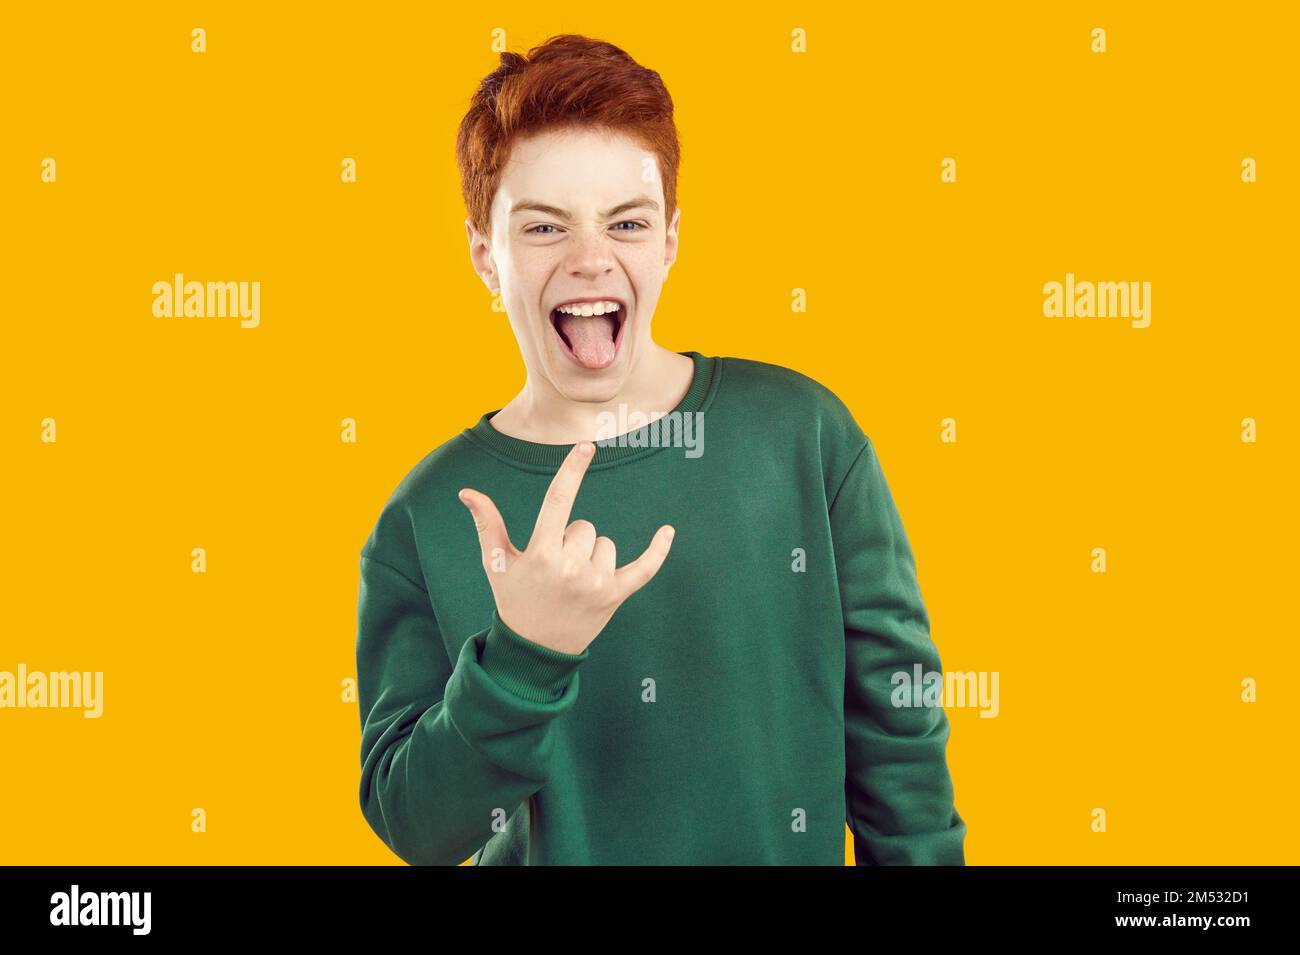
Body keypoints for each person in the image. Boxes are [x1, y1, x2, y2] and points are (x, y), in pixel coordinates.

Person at [355, 33, 966, 865]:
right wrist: (523, 656)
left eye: (627, 221)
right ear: (483, 257)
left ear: (669, 239)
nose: (590, 258)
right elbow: (419, 827)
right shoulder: (426, 516)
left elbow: (902, 744)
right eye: (543, 227)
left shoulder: (804, 435)